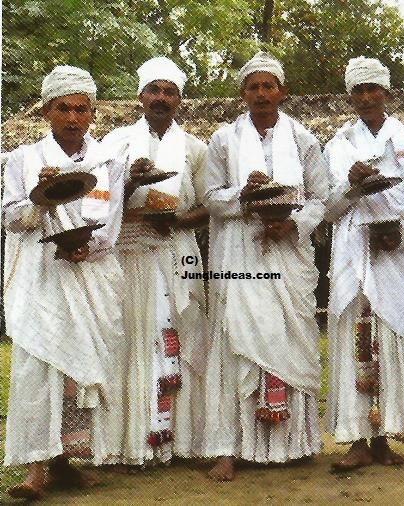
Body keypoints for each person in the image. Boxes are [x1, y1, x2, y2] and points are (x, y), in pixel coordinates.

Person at [201, 51, 328, 481]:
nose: (261, 94)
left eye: (268, 86)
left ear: (282, 92)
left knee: (287, 337)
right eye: (253, 87)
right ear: (243, 93)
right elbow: (210, 198)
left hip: (287, 254)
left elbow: (320, 198)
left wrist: (290, 223)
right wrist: (244, 193)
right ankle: (229, 447)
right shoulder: (224, 140)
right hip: (240, 253)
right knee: (235, 342)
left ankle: (294, 442)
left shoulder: (305, 140)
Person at [2, 65, 125, 499]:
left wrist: (84, 249)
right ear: (47, 111)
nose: (73, 117)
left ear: (92, 113)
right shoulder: (22, 159)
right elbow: (11, 219)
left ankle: (66, 462)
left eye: (81, 109)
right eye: (63, 108)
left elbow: (111, 228)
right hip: (42, 279)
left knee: (79, 373)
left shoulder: (108, 162)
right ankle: (37, 468)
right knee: (39, 370)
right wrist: (38, 199)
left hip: (91, 275)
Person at [323, 56, 404, 471]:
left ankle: (384, 436)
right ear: (350, 96)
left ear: (386, 93)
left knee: (390, 332)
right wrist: (350, 186)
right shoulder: (337, 146)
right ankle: (355, 439)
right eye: (358, 91)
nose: (366, 97)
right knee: (353, 333)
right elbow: (327, 210)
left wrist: (402, 235)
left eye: (373, 90)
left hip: (392, 253)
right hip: (352, 250)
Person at [100, 56, 208, 468]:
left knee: (180, 333)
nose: (161, 98)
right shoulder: (116, 143)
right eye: (154, 90)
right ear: (141, 95)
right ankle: (127, 444)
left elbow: (209, 206)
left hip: (174, 251)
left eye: (170, 91)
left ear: (180, 99)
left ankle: (177, 441)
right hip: (128, 253)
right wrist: (129, 181)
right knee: (129, 340)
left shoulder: (196, 149)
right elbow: (95, 201)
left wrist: (177, 219)